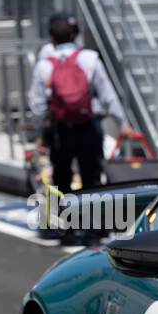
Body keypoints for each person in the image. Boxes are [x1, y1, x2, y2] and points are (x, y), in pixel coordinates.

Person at [28, 13, 130, 193]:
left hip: (60, 130)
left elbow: (37, 104)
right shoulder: (90, 58)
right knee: (92, 180)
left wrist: (42, 132)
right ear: (75, 34)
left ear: (52, 38)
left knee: (61, 179)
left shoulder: (44, 65)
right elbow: (108, 95)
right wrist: (122, 123)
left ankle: (66, 219)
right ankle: (93, 220)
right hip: (89, 126)